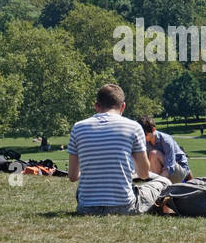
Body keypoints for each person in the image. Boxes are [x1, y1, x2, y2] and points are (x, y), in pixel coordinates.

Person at [67, 83, 169, 214]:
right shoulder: (133, 127)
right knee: (164, 181)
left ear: (97, 106)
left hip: (86, 207)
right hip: (124, 206)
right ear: (123, 106)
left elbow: (73, 176)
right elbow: (143, 174)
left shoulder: (78, 128)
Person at [137, 117, 192, 183]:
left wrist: (155, 183)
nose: (142, 137)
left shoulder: (166, 140)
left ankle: (157, 186)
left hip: (178, 172)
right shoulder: (145, 142)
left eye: (144, 134)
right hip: (163, 173)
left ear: (153, 129)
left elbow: (169, 168)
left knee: (154, 154)